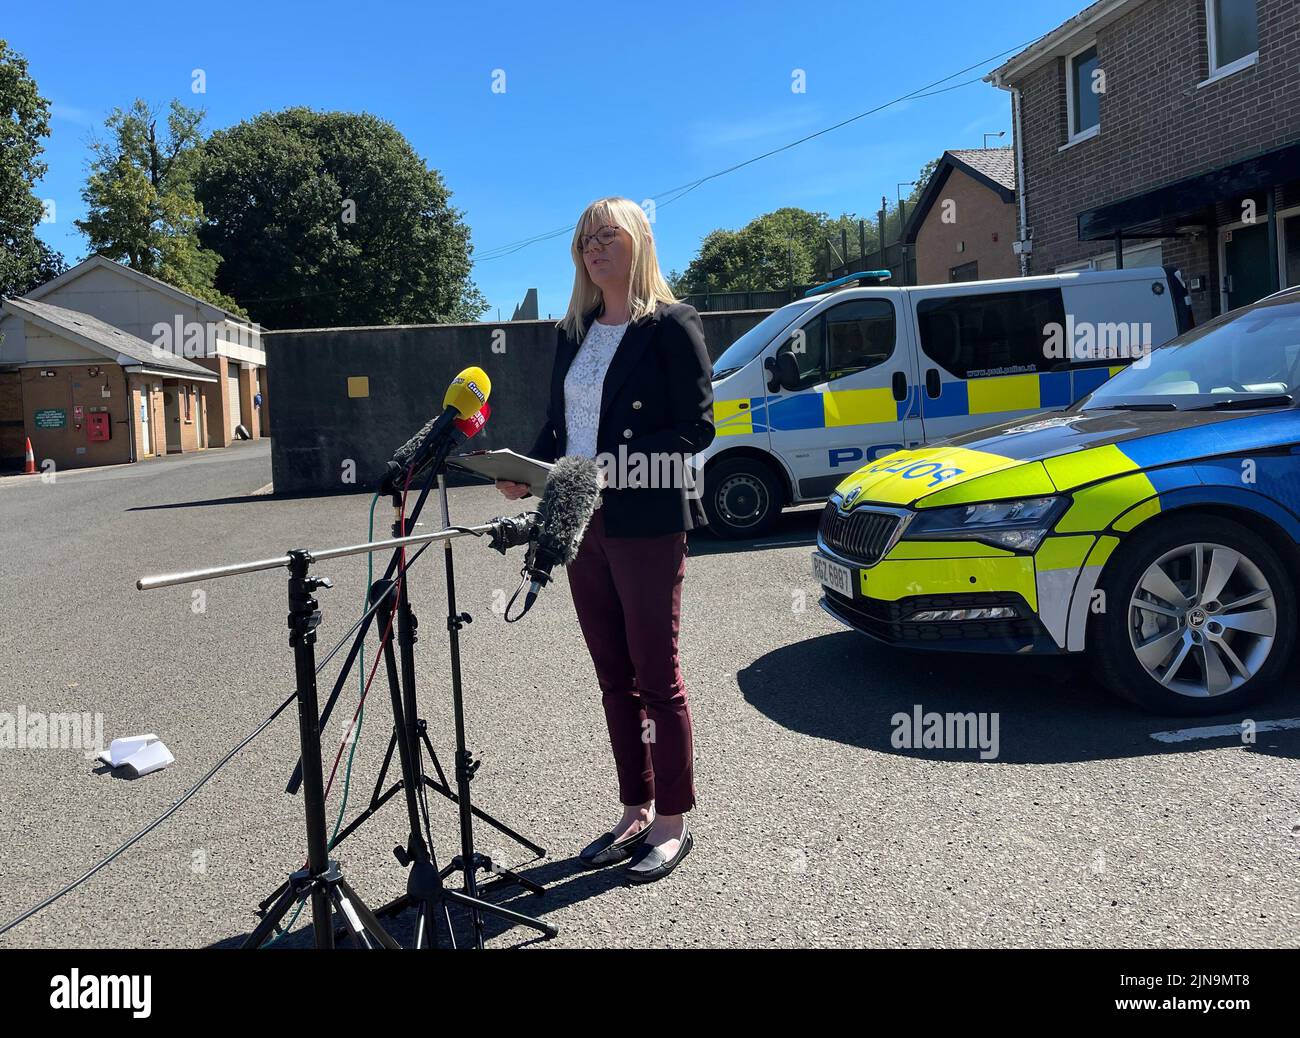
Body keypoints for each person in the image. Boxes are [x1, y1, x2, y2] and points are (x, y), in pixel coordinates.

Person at [497, 196, 714, 883]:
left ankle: (673, 818)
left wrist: (610, 465)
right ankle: (635, 804)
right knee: (612, 678)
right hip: (578, 524)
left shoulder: (672, 325)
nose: (593, 247)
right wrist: (524, 469)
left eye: (606, 235)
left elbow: (696, 428)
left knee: (657, 677)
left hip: (647, 522)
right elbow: (559, 425)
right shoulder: (575, 330)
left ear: (639, 240)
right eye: (585, 239)